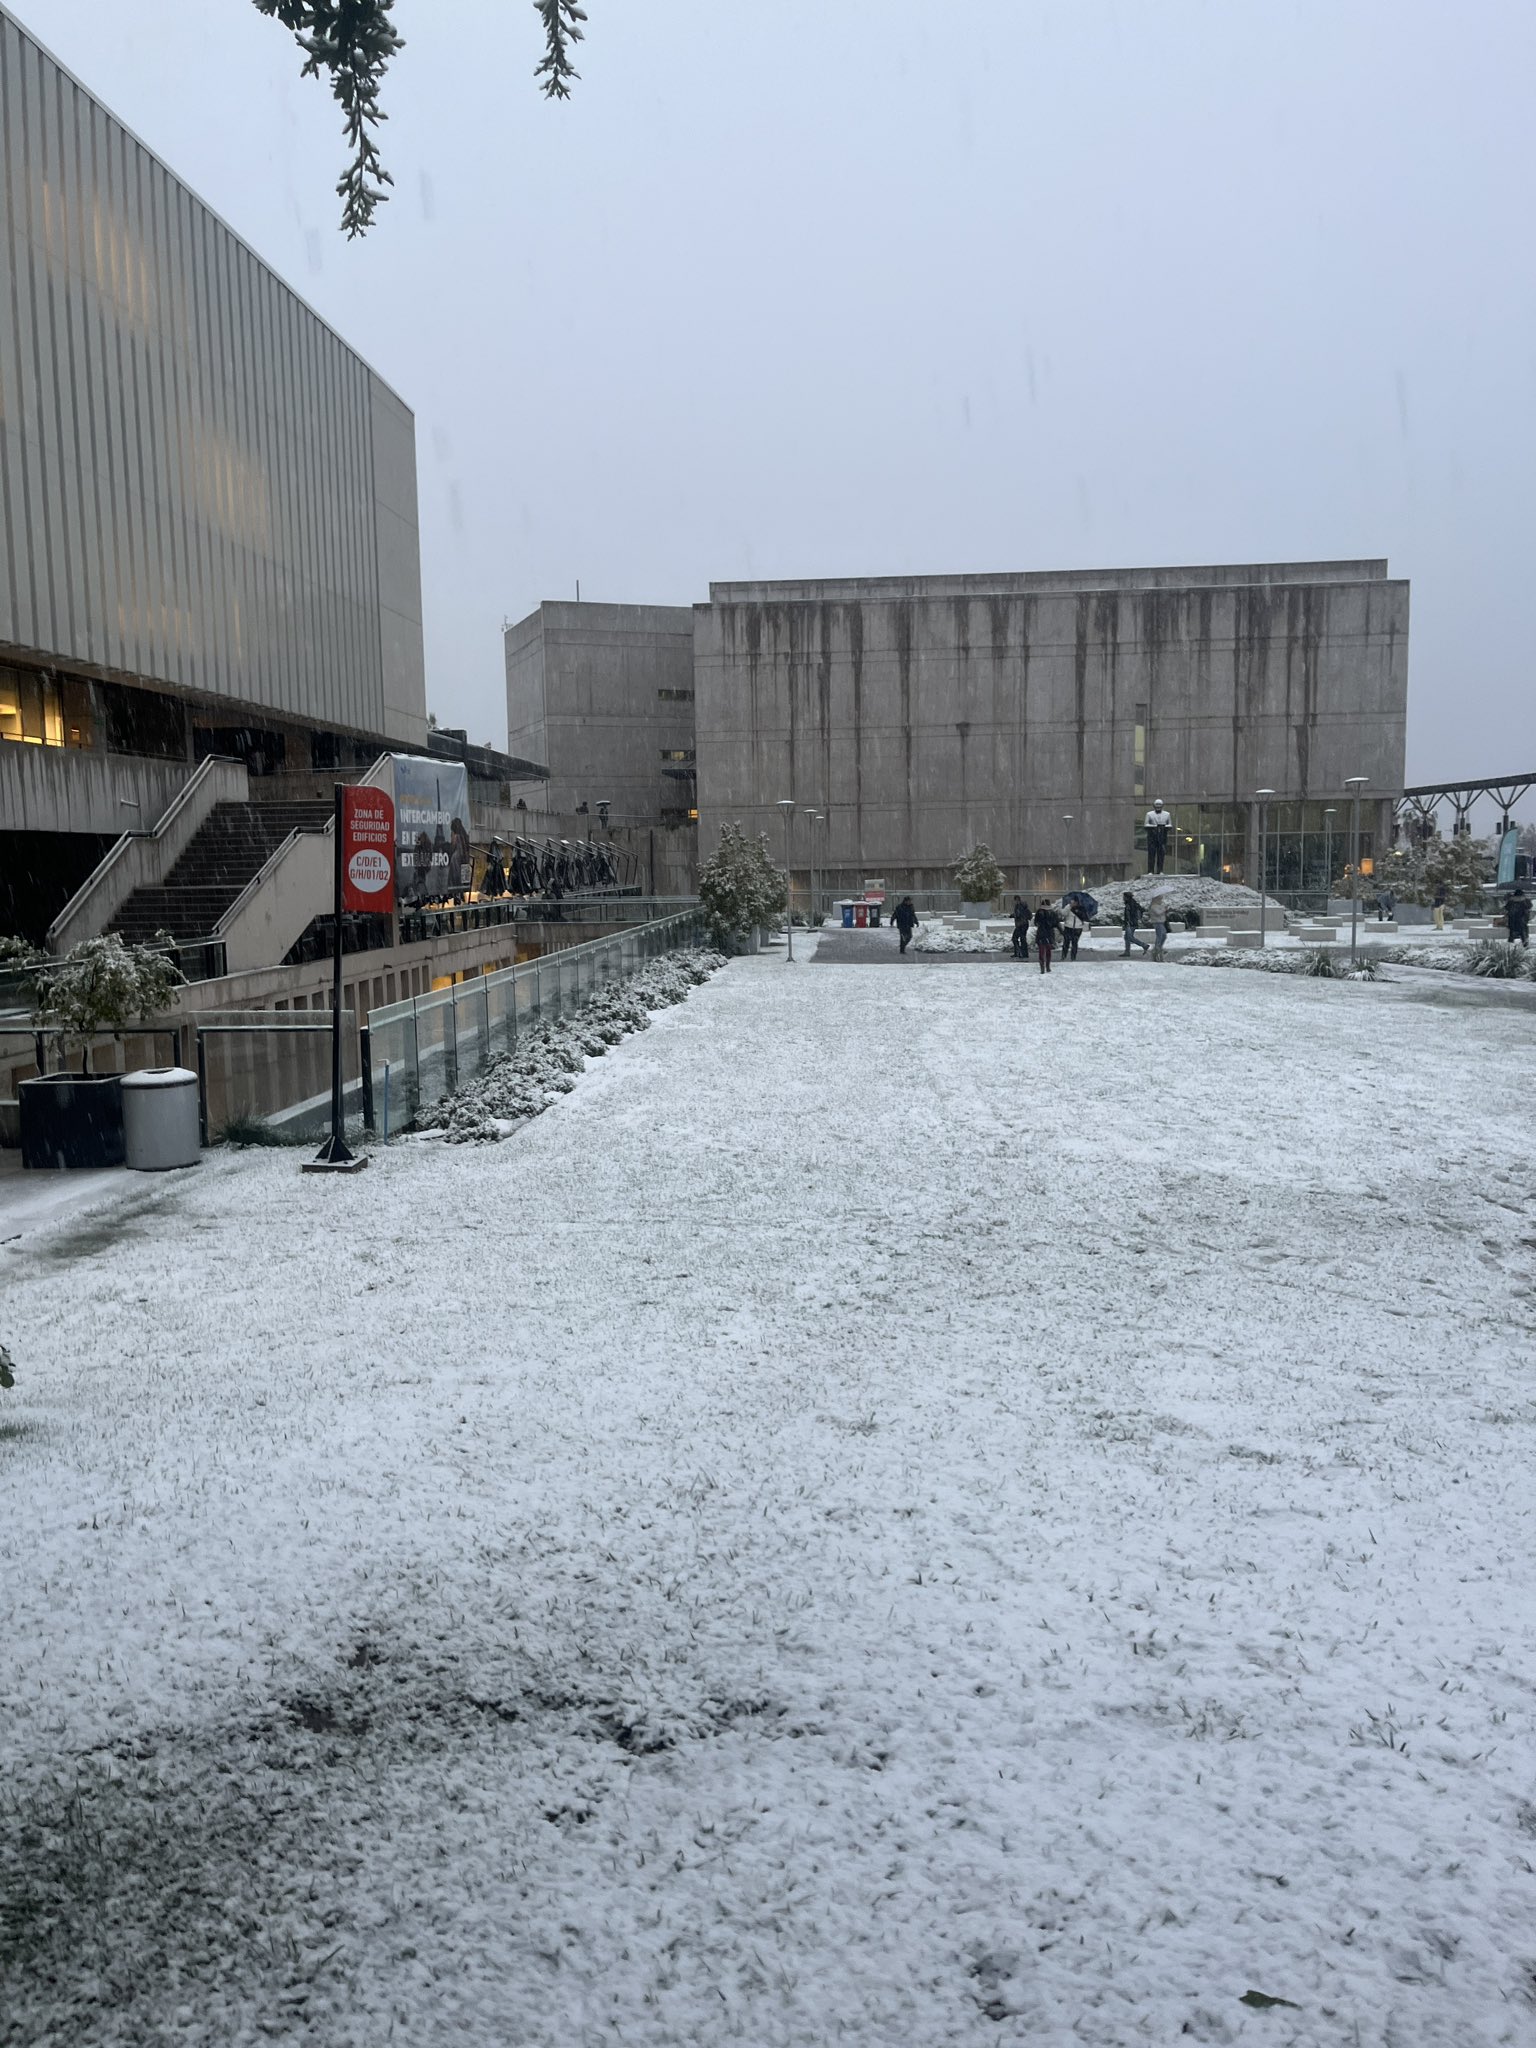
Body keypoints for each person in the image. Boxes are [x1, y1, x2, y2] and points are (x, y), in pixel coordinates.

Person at [1145, 800, 1173, 874]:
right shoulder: (1149, 814)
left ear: (1162, 805)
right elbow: (1146, 825)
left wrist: (1163, 826)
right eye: (1156, 805)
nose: (1158, 806)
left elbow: (1170, 825)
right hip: (1152, 837)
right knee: (1151, 854)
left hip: (1162, 836)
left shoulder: (1167, 814)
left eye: (1159, 805)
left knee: (1161, 855)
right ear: (1154, 805)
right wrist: (1155, 826)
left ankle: (1160, 870)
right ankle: (1150, 871)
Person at [1033, 897, 1061, 974]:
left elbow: (1035, 922)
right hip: (1049, 934)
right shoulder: (1052, 912)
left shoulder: (1039, 912)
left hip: (1041, 933)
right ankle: (1047, 966)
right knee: (1048, 951)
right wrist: (1062, 931)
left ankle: (1042, 967)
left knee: (1042, 951)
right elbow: (1056, 923)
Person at [1122, 891, 1150, 957]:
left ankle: (1144, 945)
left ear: (1127, 897)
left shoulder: (1130, 904)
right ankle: (1127, 952)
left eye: (1124, 897)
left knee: (1130, 937)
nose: (1123, 898)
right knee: (1127, 937)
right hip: (1132, 923)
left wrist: (1129, 921)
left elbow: (1130, 914)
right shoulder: (1132, 903)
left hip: (1131, 923)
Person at [1061, 894, 1088, 961]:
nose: (1074, 903)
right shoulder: (1068, 907)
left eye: (1075, 902)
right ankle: (1063, 956)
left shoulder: (1082, 908)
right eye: (1072, 901)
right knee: (1066, 942)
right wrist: (1069, 907)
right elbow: (1063, 913)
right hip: (1068, 927)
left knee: (1074, 943)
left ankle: (1073, 957)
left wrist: (1078, 912)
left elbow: (1085, 917)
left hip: (1078, 928)